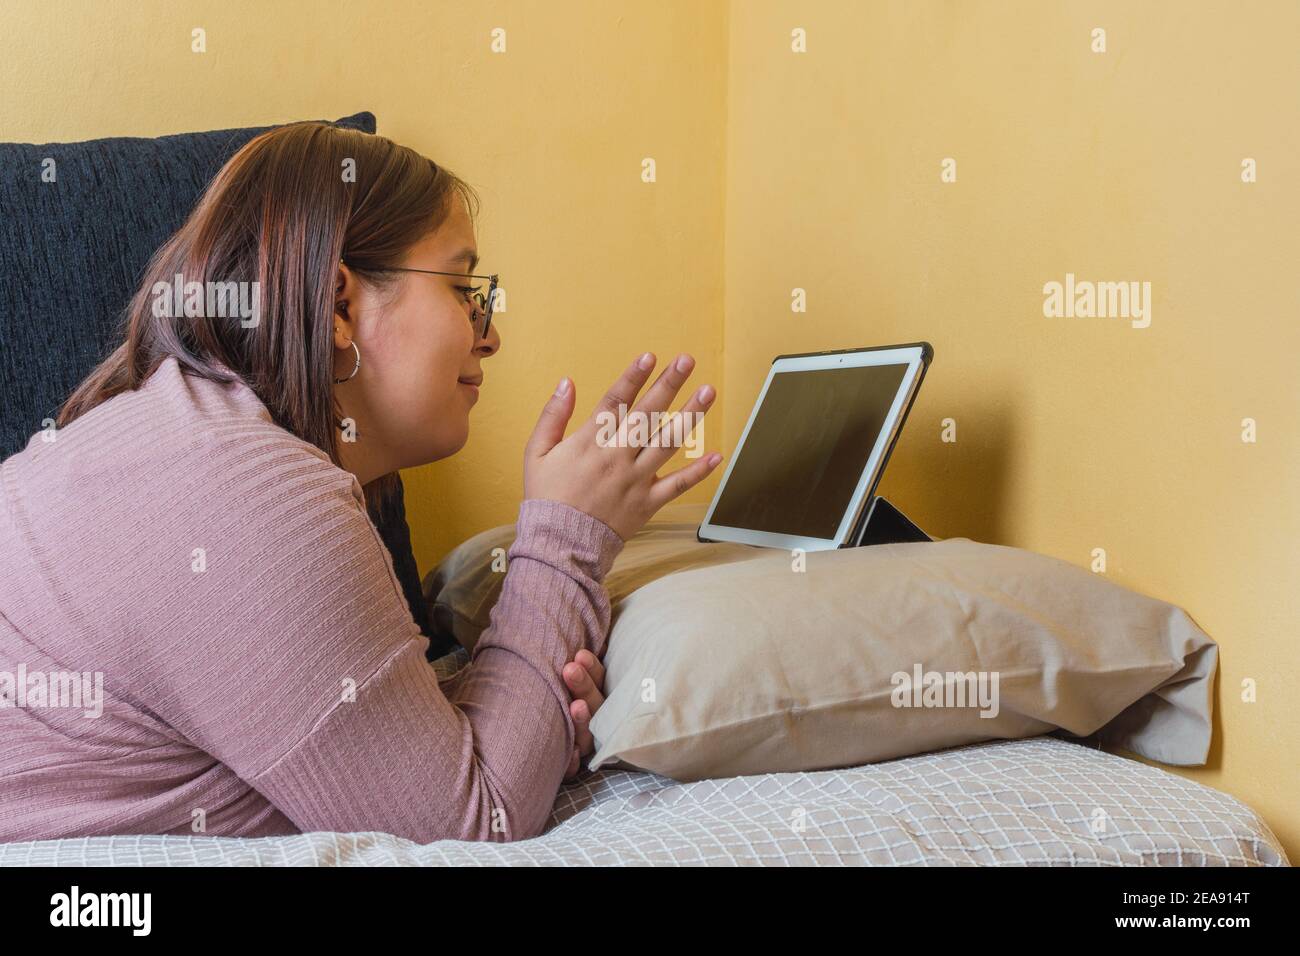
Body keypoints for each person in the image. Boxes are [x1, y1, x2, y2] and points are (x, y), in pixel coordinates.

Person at [0, 121, 722, 844]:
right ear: (341, 304)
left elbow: (345, 760)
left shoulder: (193, 440)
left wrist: (528, 723)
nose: (489, 332)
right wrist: (567, 533)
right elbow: (470, 829)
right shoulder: (251, 498)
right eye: (464, 286)